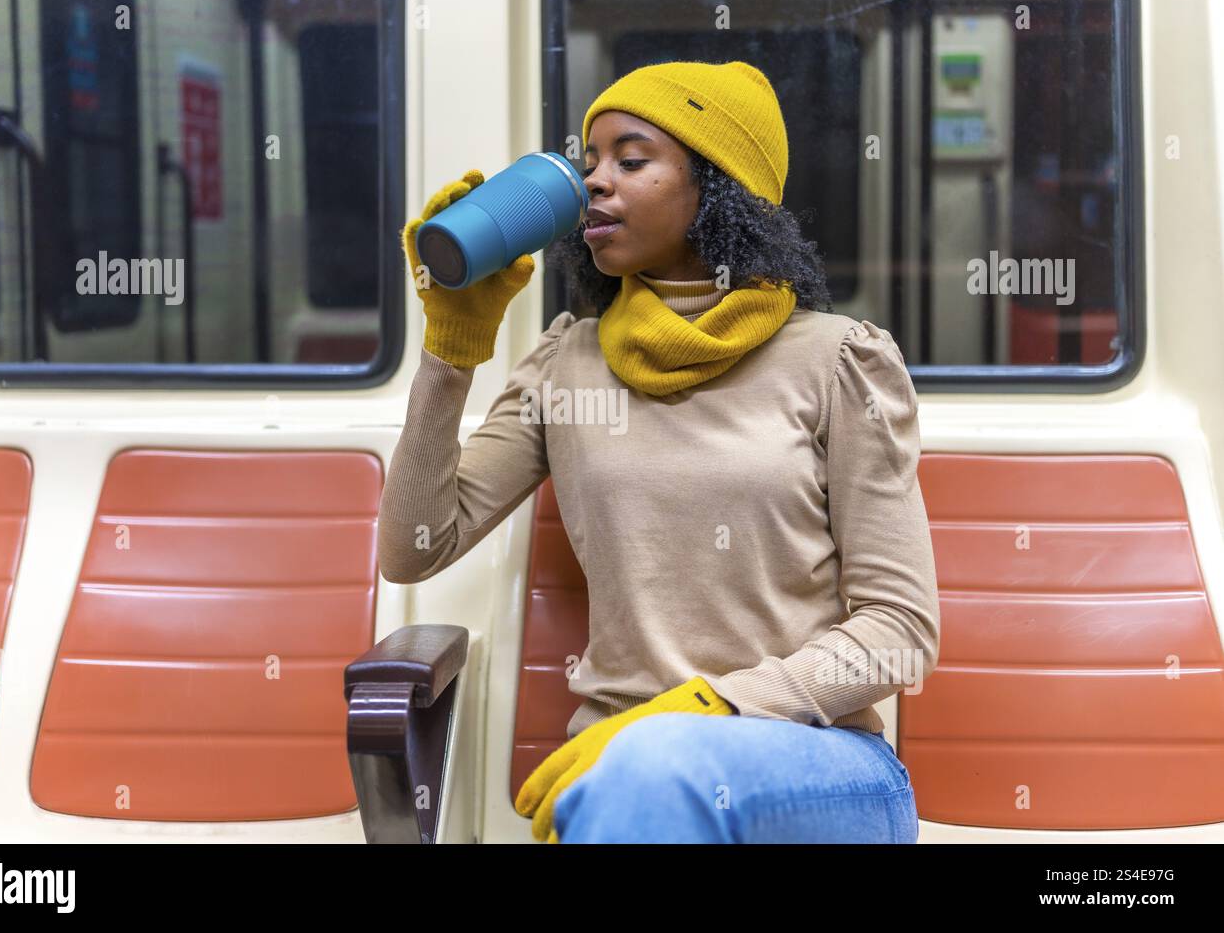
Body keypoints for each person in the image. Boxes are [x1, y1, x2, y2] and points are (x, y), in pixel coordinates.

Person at [379, 60, 940, 844]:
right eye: (589, 162)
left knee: (656, 765)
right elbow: (414, 550)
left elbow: (900, 632)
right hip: (621, 769)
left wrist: (711, 707)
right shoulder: (565, 363)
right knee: (648, 775)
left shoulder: (839, 361)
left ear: (717, 185)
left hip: (819, 760)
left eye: (630, 159)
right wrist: (451, 350)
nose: (595, 185)